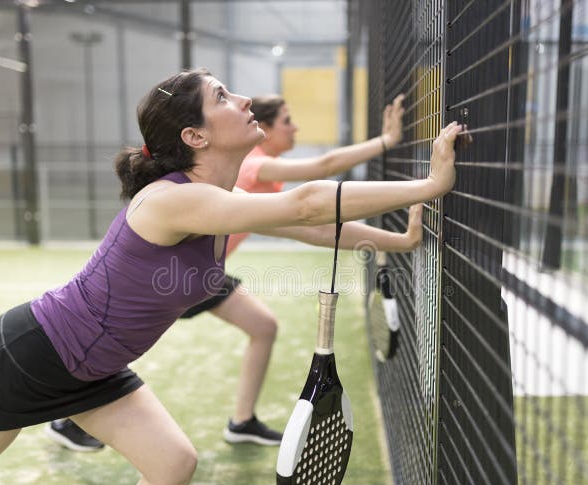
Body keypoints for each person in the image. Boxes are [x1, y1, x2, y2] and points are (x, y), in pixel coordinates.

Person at [0, 68, 463, 485]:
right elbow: (307, 204)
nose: (243, 100)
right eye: (223, 96)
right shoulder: (170, 201)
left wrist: (403, 240)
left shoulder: (218, 198)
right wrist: (429, 185)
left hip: (91, 369)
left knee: (172, 463)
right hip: (30, 358)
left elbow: (315, 229)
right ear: (195, 136)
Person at [46, 92, 415, 451]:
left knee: (263, 326)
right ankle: (67, 415)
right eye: (287, 121)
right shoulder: (256, 164)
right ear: (266, 127)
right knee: (120, 343)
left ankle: (242, 422)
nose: (296, 129)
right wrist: (387, 143)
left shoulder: (248, 169)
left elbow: (315, 227)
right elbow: (324, 170)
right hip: (173, 275)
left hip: (201, 274)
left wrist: (400, 239)